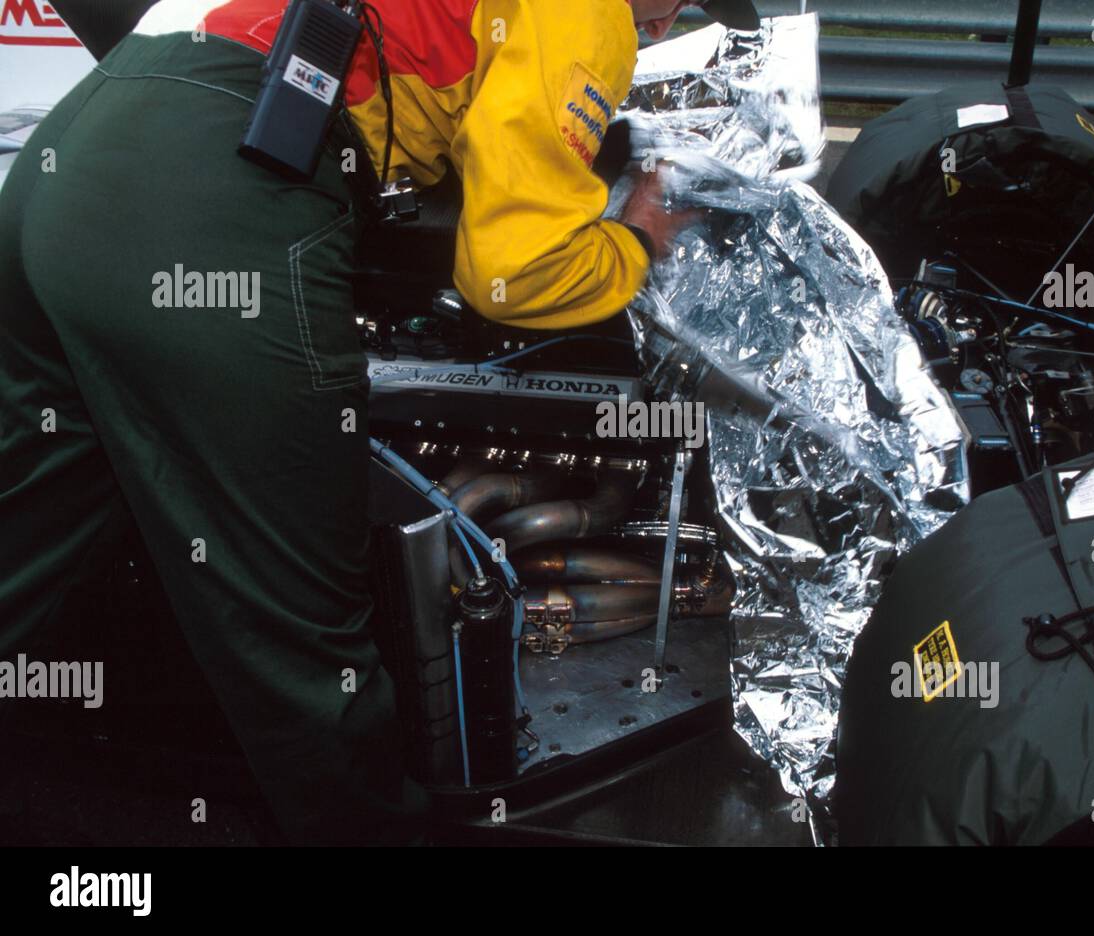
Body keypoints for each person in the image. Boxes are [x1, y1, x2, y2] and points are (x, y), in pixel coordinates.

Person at [0, 0, 758, 844]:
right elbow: (513, 271)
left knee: (22, 541)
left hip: (69, 166)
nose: (656, 33)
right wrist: (640, 236)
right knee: (302, 637)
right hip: (215, 193)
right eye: (671, 11)